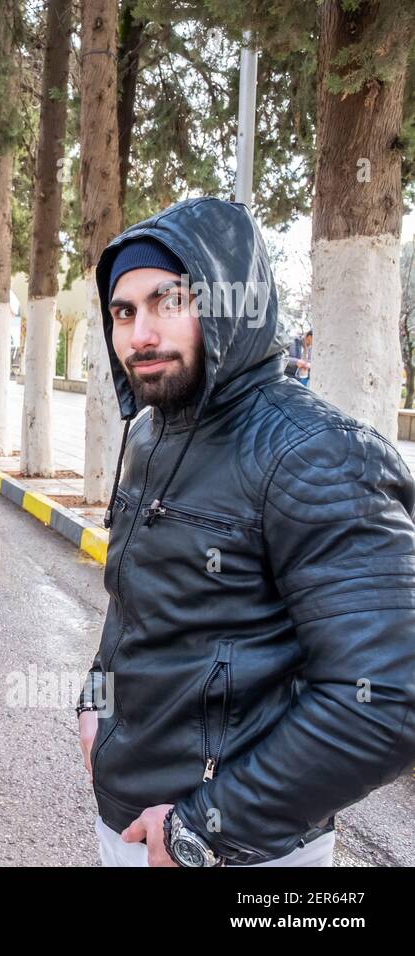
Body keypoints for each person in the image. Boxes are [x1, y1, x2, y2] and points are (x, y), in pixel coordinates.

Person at [77, 197, 415, 867]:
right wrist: (95, 701)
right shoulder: (151, 431)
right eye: (124, 311)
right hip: (128, 825)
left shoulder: (317, 453)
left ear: (228, 304)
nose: (140, 334)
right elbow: (138, 605)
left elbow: (387, 698)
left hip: (235, 850)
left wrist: (202, 829)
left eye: (168, 301)